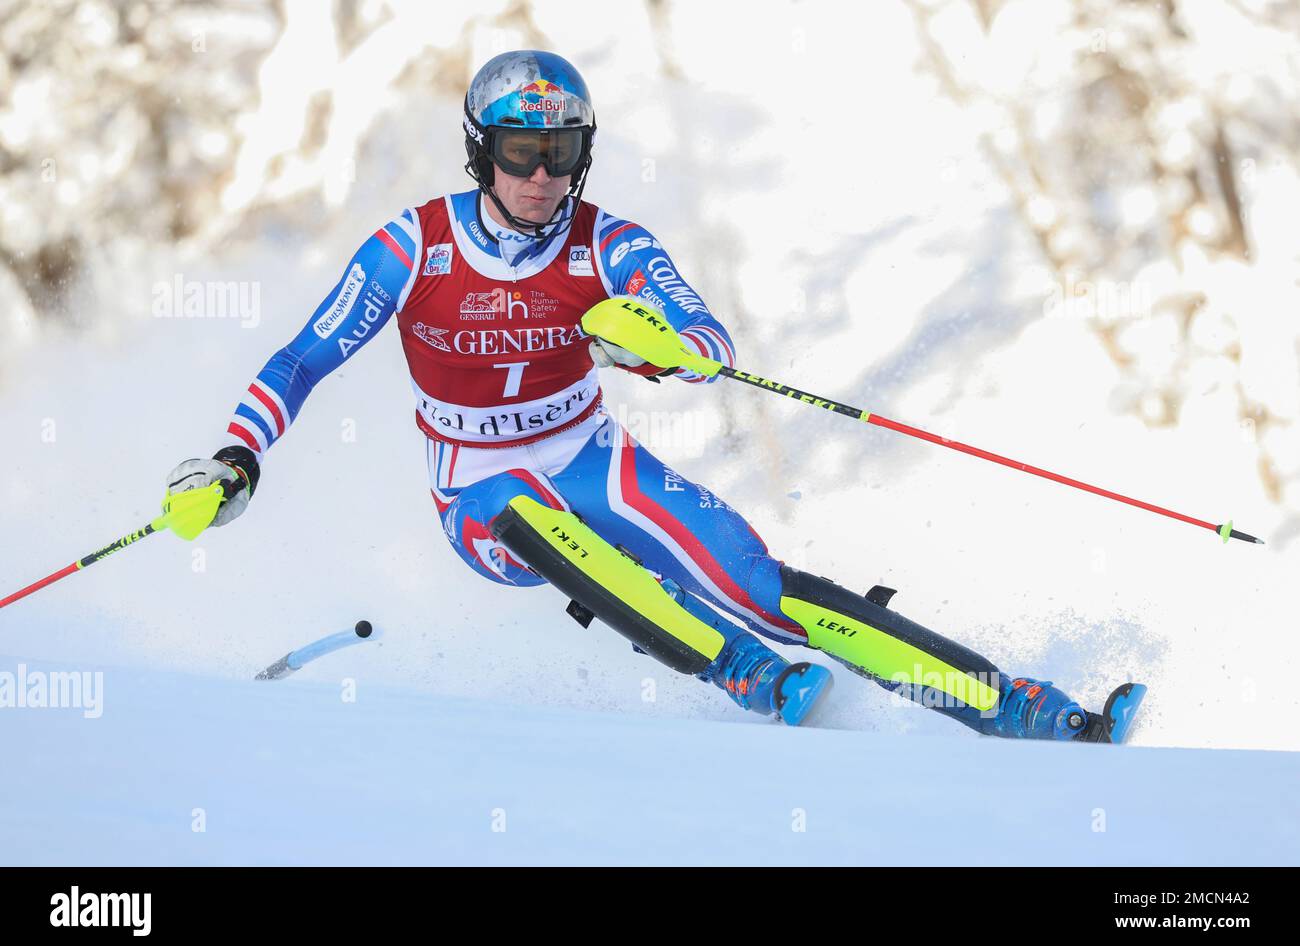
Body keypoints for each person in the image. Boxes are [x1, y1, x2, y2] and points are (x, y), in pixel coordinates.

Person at [167, 49, 1106, 739]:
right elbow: (299, 361)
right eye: (518, 150)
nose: (541, 176)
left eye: (562, 152)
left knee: (757, 583)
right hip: (476, 496)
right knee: (509, 504)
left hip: (594, 461)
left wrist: (653, 349)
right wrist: (237, 458)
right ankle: (736, 671)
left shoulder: (607, 242)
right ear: (477, 151)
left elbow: (706, 339)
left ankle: (1009, 704)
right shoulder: (413, 247)